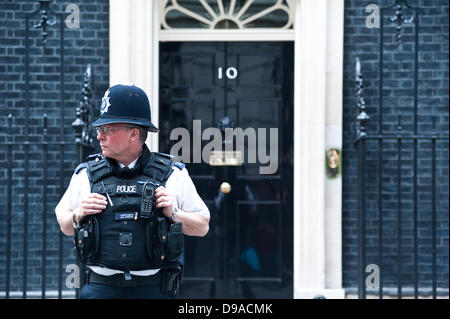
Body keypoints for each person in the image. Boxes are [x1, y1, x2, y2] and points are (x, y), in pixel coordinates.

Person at [55, 84, 210, 299]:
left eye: (108, 130)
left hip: (154, 290)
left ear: (133, 134)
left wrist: (174, 214)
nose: (100, 136)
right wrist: (78, 213)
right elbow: (63, 223)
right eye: (100, 130)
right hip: (100, 289)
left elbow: (202, 226)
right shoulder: (85, 175)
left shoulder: (172, 174)